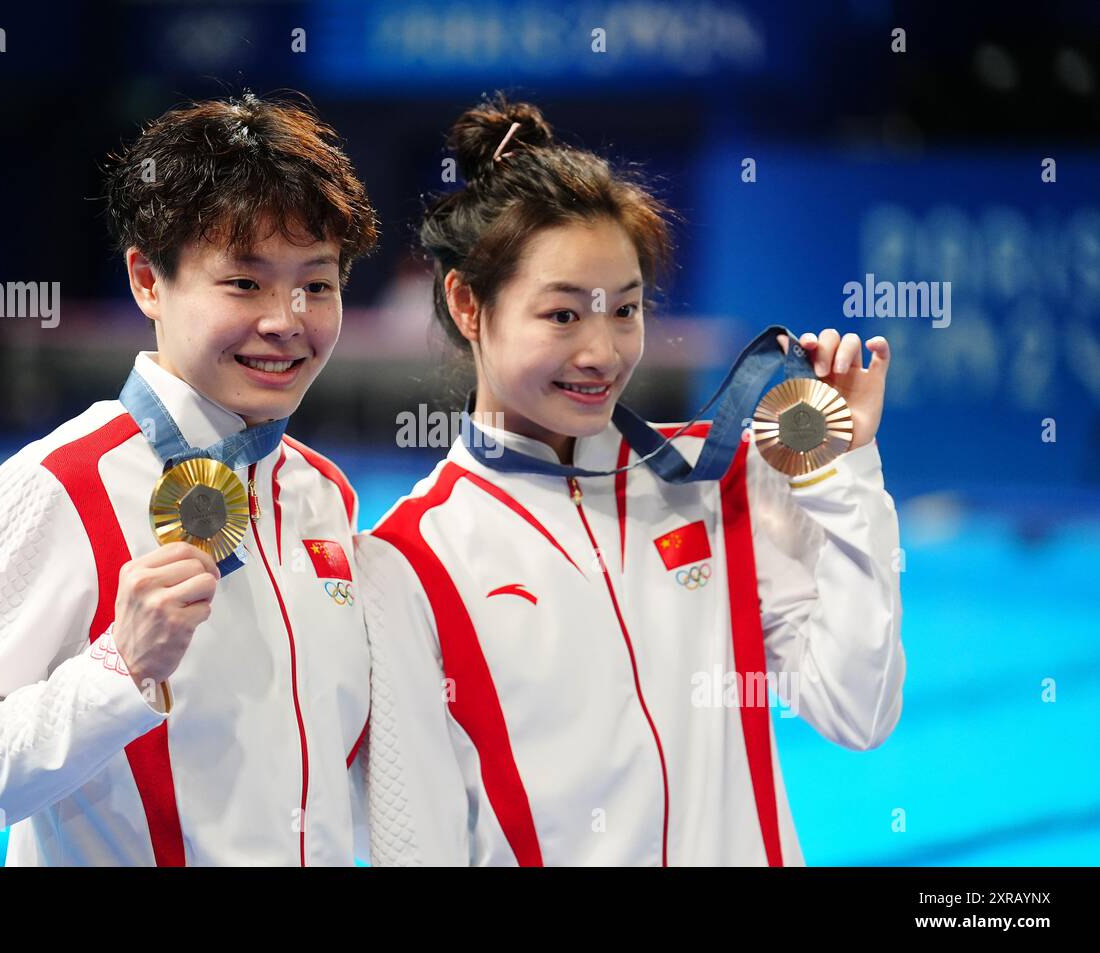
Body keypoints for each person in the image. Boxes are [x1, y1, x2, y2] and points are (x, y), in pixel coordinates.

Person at [356, 96, 904, 866]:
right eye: (562, 316)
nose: (602, 352)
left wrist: (841, 469)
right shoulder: (411, 558)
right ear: (467, 304)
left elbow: (859, 709)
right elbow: (417, 847)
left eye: (625, 310)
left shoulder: (716, 482)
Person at [0, 92, 378, 866]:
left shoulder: (323, 495)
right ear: (149, 281)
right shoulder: (58, 486)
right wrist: (117, 667)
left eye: (316, 285)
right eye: (245, 284)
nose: (288, 320)